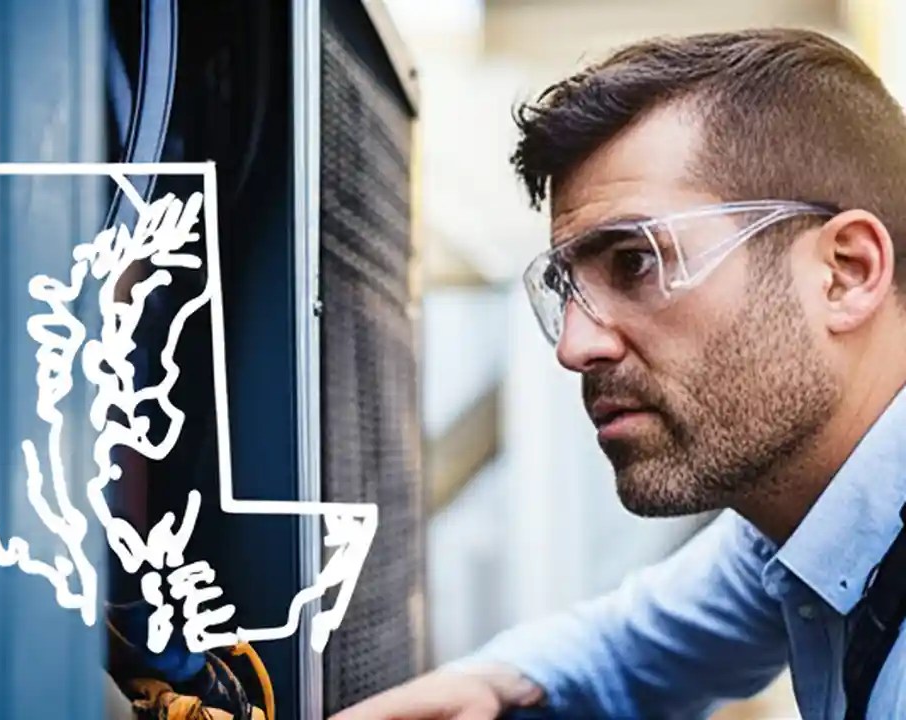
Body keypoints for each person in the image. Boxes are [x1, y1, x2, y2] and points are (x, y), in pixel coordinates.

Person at [332, 28, 906, 720]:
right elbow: (631, 649)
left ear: (846, 273)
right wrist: (488, 683)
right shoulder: (807, 519)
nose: (574, 347)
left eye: (636, 262)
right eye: (566, 292)